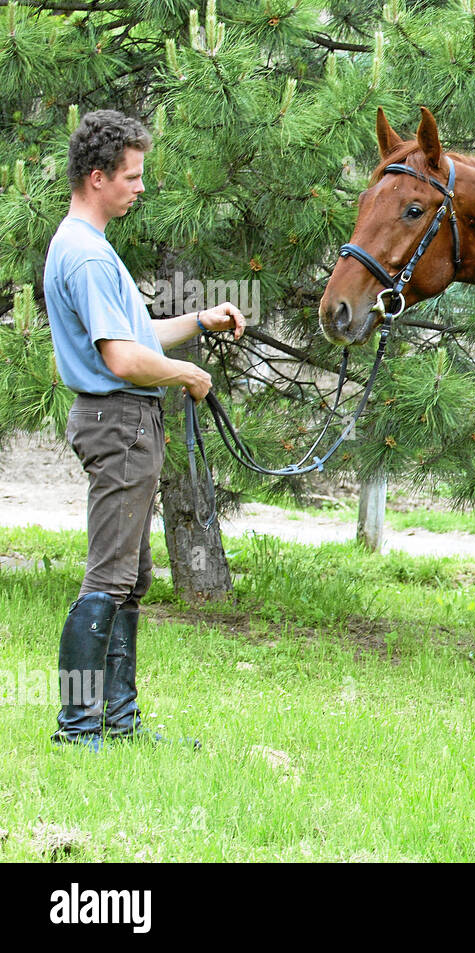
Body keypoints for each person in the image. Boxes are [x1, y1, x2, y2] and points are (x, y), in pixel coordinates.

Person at [43, 109, 246, 751]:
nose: (139, 187)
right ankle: (79, 727)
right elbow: (124, 360)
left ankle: (119, 722)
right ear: (97, 177)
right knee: (107, 578)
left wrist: (199, 321)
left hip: (125, 424)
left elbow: (137, 335)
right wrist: (188, 374)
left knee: (130, 578)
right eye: (131, 177)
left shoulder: (88, 249)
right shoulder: (88, 256)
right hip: (119, 423)